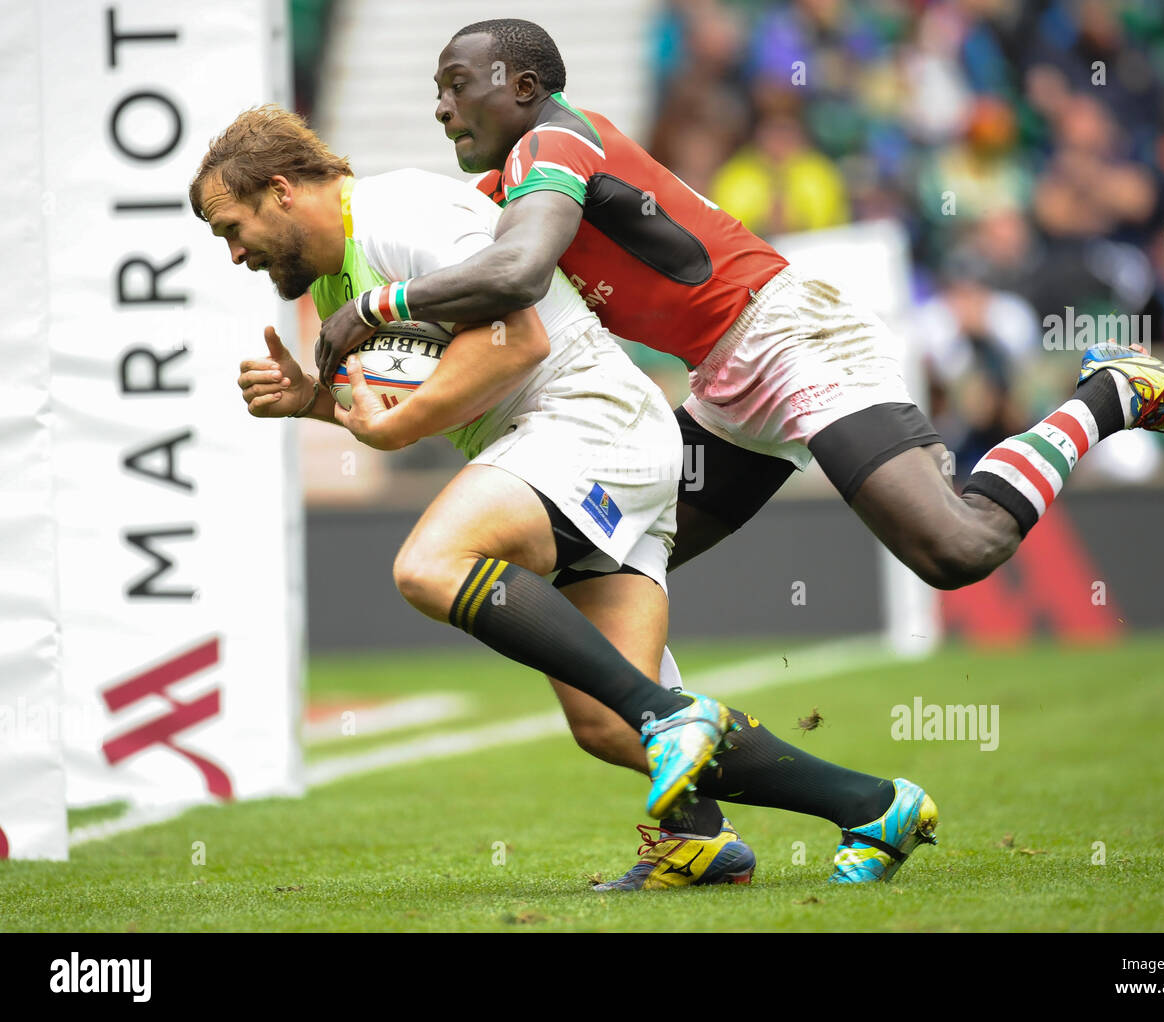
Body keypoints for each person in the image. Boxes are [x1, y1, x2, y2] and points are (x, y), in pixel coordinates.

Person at [311, 20, 1164, 888]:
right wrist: (329, 392)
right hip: (721, 382)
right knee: (605, 577)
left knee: (957, 550)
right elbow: (489, 282)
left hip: (790, 337)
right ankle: (714, 835)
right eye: (434, 91)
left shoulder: (554, 140)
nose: (440, 108)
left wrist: (374, 309)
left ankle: (1110, 394)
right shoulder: (502, 186)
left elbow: (514, 274)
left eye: (456, 86)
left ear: (522, 87)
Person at [191, 105, 941, 890]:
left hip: (589, 424)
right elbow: (419, 395)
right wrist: (317, 401)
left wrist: (394, 428)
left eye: (230, 226)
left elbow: (521, 338)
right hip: (583, 446)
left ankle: (667, 715)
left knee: (431, 565)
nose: (234, 251)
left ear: (280, 190)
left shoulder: (394, 212)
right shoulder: (344, 270)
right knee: (609, 724)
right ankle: (863, 807)